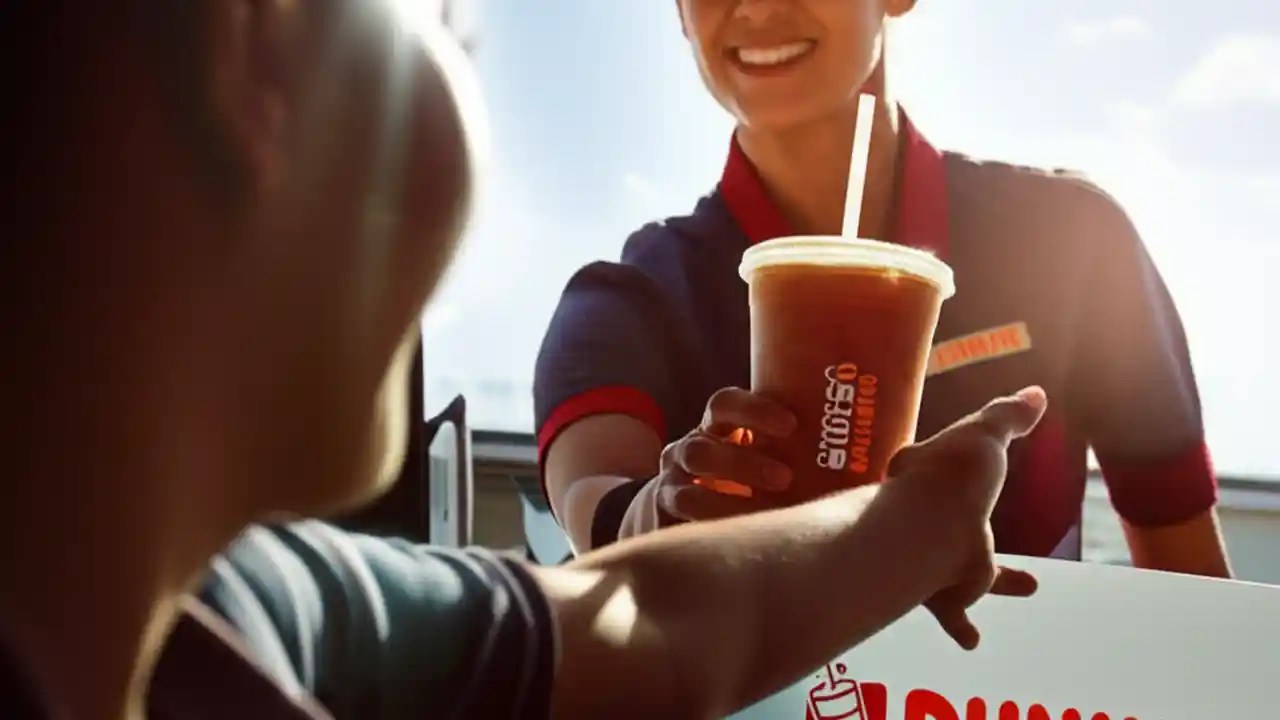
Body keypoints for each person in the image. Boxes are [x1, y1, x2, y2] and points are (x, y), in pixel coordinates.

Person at [1, 2, 1048, 719]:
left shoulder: (262, 608)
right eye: (445, 17)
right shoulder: (276, 620)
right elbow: (629, 576)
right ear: (252, 52)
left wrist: (918, 524)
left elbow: (655, 623)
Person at [535, 0, 1233, 576]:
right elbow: (597, 507)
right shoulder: (629, 299)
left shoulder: (1076, 241)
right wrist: (660, 512)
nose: (756, 7)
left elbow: (1193, 590)